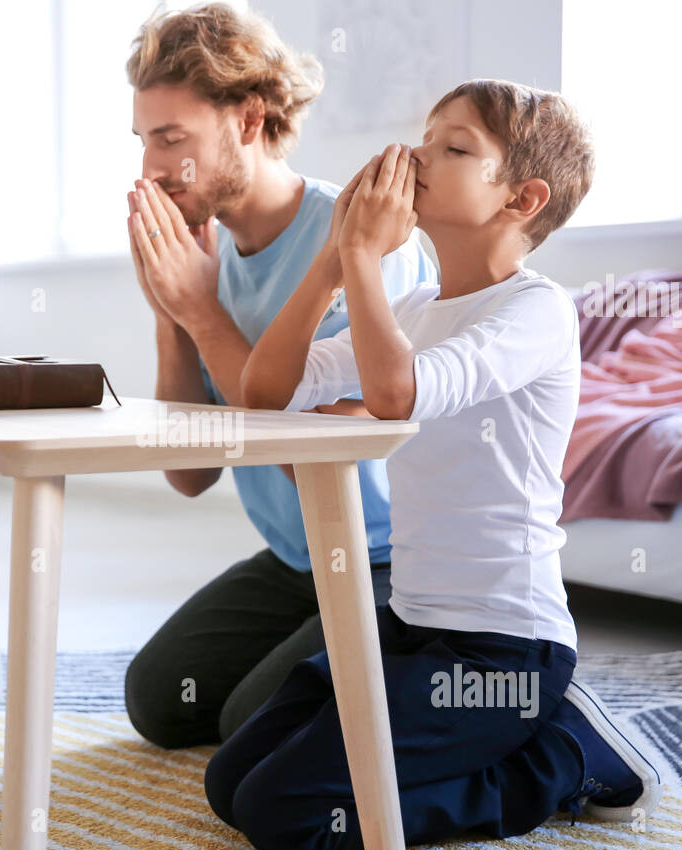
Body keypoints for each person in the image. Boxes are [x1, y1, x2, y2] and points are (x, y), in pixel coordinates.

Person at [214, 78, 663, 850]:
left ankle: (563, 759)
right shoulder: (416, 306)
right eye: (425, 137)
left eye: (454, 147)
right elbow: (266, 390)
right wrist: (329, 263)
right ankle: (547, 726)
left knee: (283, 816)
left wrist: (359, 255)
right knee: (231, 782)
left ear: (521, 198)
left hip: (501, 654)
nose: (419, 155)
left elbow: (394, 394)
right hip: (411, 628)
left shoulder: (535, 312)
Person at [123, 3, 437, 748]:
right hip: (301, 559)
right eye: (142, 142)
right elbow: (191, 475)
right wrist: (171, 310)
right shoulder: (209, 264)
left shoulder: (357, 241)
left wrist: (203, 314)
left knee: (248, 725)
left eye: (172, 139)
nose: (151, 169)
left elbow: (318, 457)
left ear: (249, 120)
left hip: (395, 560)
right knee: (160, 701)